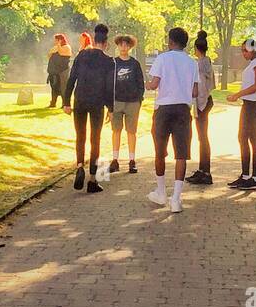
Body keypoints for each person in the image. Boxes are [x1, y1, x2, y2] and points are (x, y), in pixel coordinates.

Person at [145, 26, 199, 213]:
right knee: (181, 154)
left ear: (171, 41)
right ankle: (175, 198)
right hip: (183, 109)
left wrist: (146, 84)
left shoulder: (162, 58)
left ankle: (161, 192)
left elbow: (153, 84)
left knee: (160, 151)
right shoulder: (192, 63)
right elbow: (195, 91)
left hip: (164, 109)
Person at [63, 23, 114, 193]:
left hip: (80, 99)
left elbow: (72, 79)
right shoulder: (108, 62)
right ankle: (93, 179)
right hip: (97, 102)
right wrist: (111, 108)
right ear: (106, 44)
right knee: (95, 138)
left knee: (80, 136)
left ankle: (79, 167)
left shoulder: (81, 56)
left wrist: (66, 102)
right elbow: (109, 87)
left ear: (94, 39)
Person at [226, 40, 256, 190]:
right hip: (248, 103)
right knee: (243, 137)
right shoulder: (254, 62)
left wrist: (237, 94)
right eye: (242, 50)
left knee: (253, 139)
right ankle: (245, 176)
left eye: (245, 50)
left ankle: (255, 178)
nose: (243, 53)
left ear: (253, 50)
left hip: (254, 104)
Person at [107, 34, 144, 174]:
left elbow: (140, 83)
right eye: (121, 44)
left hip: (132, 102)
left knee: (131, 132)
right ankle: (115, 160)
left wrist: (139, 99)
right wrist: (109, 103)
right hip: (116, 101)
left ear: (130, 47)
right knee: (116, 130)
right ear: (117, 46)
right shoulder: (113, 63)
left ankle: (132, 160)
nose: (123, 47)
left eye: (126, 45)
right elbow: (108, 83)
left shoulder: (135, 64)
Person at [188, 30, 215, 185]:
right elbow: (210, 85)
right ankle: (203, 169)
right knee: (202, 138)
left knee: (203, 138)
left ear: (196, 49)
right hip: (206, 101)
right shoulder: (207, 61)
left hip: (202, 103)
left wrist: (199, 106)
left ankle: (206, 173)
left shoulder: (198, 65)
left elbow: (201, 88)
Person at [47, 33, 72, 108]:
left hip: (63, 70)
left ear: (60, 40)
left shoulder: (67, 47)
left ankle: (65, 104)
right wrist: (53, 51)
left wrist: (58, 46)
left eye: (56, 40)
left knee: (63, 87)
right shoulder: (55, 47)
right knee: (54, 87)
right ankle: (53, 103)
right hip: (54, 71)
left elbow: (61, 52)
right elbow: (49, 55)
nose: (55, 42)